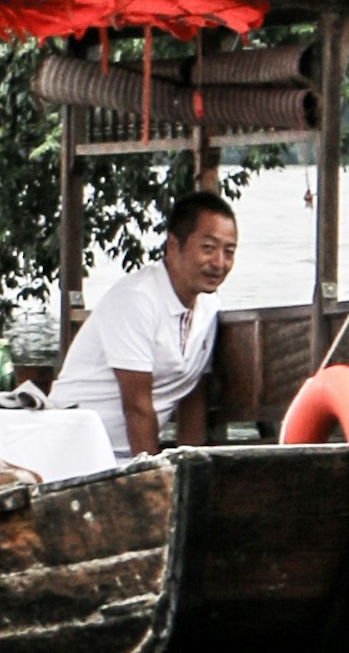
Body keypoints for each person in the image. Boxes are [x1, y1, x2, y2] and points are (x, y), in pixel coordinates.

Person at [47, 183, 237, 459]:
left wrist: (192, 471)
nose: (219, 262)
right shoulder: (137, 299)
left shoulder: (208, 308)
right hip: (75, 451)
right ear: (173, 246)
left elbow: (193, 396)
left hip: (127, 456)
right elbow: (137, 406)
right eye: (208, 248)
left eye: (229, 251)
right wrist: (151, 481)